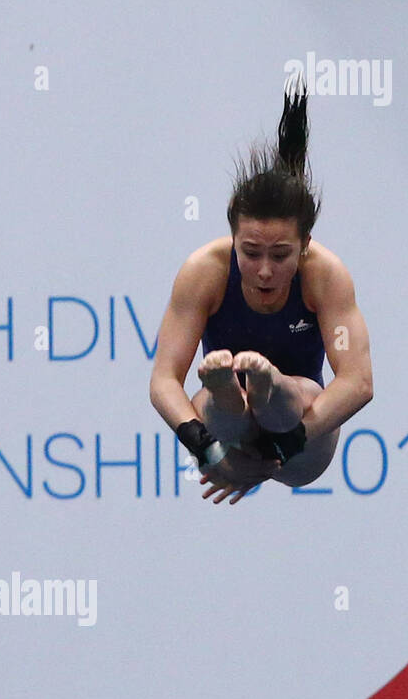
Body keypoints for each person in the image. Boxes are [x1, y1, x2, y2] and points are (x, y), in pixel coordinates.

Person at [150, 77, 373, 505]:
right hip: (226, 436)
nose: (265, 271)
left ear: (305, 246)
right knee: (215, 406)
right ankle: (233, 393)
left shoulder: (326, 274)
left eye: (281, 254)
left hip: (304, 437)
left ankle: (270, 388)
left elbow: (358, 382)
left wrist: (287, 444)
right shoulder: (205, 271)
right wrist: (206, 447)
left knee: (296, 396)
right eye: (250, 253)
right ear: (233, 238)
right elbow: (163, 380)